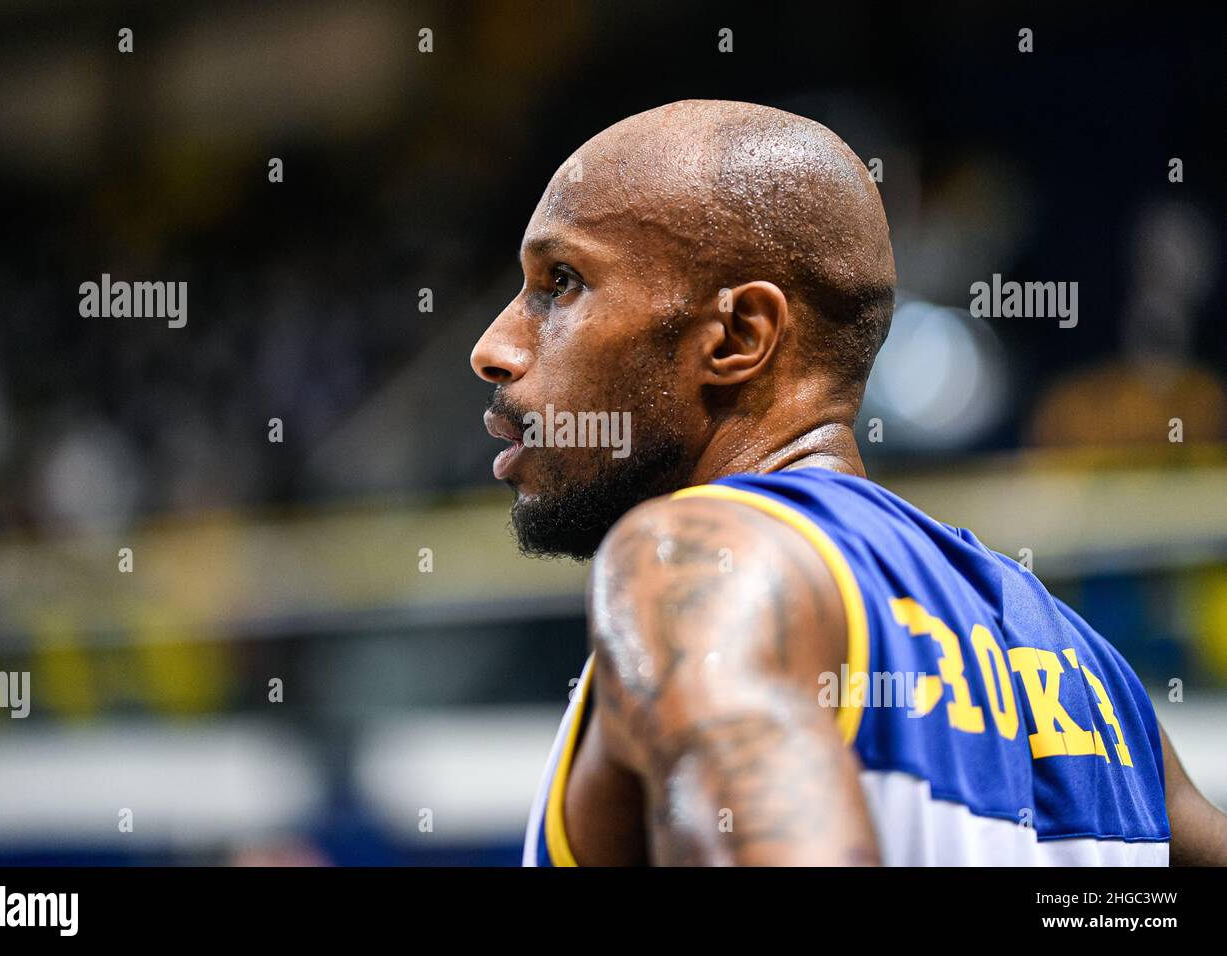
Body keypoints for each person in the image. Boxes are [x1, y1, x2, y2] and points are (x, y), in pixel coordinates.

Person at [470, 99, 1227, 866]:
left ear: (737, 337)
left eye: (559, 282)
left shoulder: (696, 563)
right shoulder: (1094, 678)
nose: (493, 347)